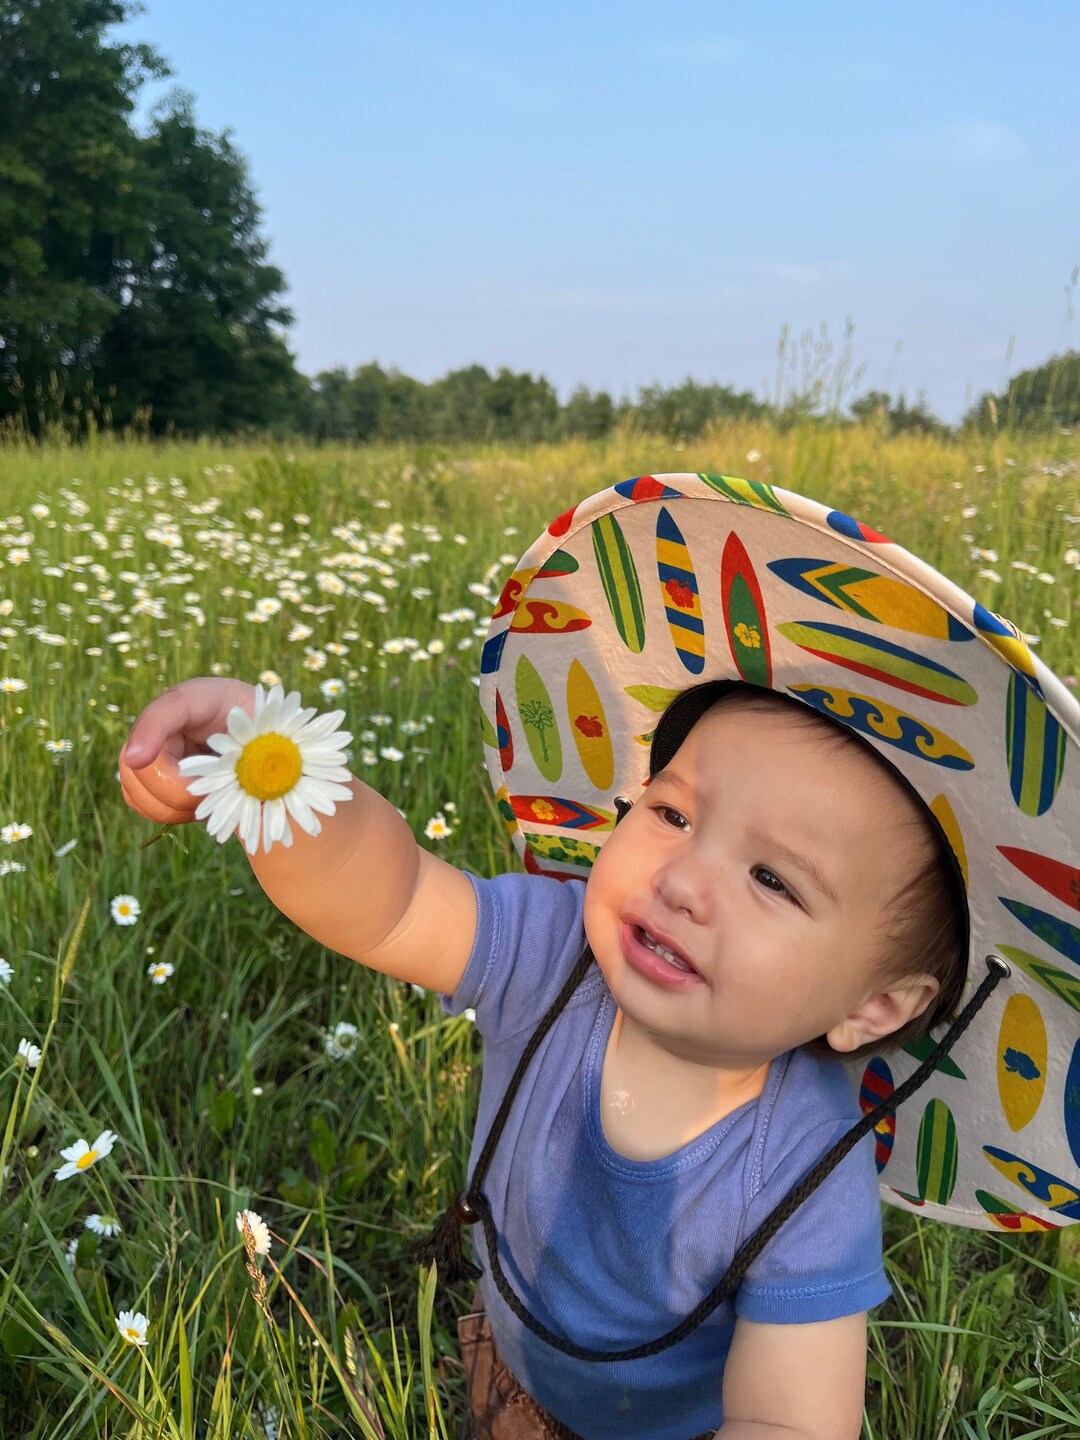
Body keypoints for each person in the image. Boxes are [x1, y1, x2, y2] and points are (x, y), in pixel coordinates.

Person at [118, 474, 1080, 1440]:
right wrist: (276, 770)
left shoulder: (802, 1173)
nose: (685, 880)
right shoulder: (549, 954)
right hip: (512, 1364)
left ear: (874, 1007)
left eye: (774, 881)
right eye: (671, 813)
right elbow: (394, 897)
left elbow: (791, 1423)